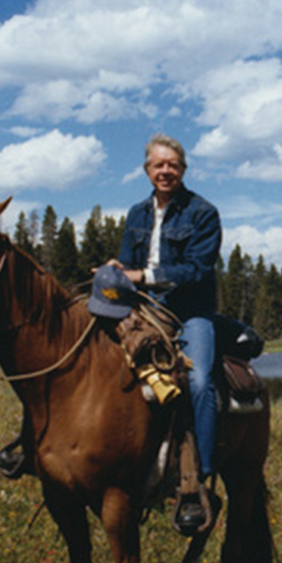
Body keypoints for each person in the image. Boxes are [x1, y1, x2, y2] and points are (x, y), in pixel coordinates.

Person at [108, 133, 222, 532]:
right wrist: (118, 271)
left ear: (183, 169)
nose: (166, 171)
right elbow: (128, 263)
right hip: (145, 309)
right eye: (158, 165)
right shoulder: (137, 214)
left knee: (200, 382)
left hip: (190, 311)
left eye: (173, 164)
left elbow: (197, 270)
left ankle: (199, 478)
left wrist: (143, 276)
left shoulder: (203, 213)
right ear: (147, 170)